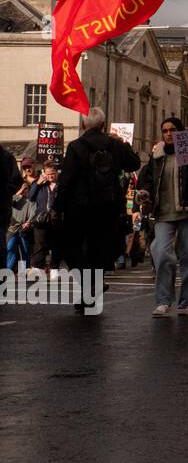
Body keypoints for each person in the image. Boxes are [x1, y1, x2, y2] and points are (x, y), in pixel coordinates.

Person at [54, 108, 140, 314]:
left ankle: (87, 288)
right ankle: (90, 293)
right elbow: (134, 163)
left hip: (79, 206)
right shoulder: (115, 145)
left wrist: (58, 207)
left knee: (73, 248)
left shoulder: (76, 147)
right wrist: (123, 144)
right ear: (103, 125)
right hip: (108, 206)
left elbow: (66, 179)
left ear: (83, 125)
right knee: (99, 249)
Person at [136, 117, 188, 317]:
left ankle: (185, 302)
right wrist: (145, 192)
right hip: (163, 212)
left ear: (181, 132)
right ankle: (163, 300)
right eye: (165, 130)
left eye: (173, 130)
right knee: (160, 253)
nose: (169, 134)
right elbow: (148, 180)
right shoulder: (157, 155)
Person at [25, 163, 60, 274]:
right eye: (48, 174)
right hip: (41, 218)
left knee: (56, 244)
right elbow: (30, 197)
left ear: (57, 173)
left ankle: (54, 269)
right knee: (39, 244)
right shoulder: (39, 184)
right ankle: (38, 267)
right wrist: (38, 183)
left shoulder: (62, 185)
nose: (50, 176)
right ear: (44, 173)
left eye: (52, 174)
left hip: (57, 219)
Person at [7, 159, 36, 271]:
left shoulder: (30, 198)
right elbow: (10, 201)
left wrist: (29, 221)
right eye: (25, 168)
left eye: (26, 188)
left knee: (25, 251)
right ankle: (8, 270)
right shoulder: (16, 195)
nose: (24, 189)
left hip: (25, 227)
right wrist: (19, 192)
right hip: (12, 227)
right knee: (10, 248)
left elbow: (34, 209)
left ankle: (23, 271)